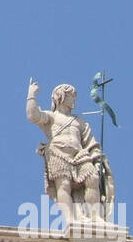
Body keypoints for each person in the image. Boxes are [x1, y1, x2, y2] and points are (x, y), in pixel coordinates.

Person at [26, 79, 102, 223]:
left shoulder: (79, 121)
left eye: (74, 96)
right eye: (71, 95)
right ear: (60, 96)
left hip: (79, 155)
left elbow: (91, 142)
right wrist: (32, 94)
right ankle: (71, 219)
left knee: (93, 179)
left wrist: (97, 158)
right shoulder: (52, 117)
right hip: (58, 153)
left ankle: (95, 216)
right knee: (64, 185)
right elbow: (32, 116)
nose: (74, 99)